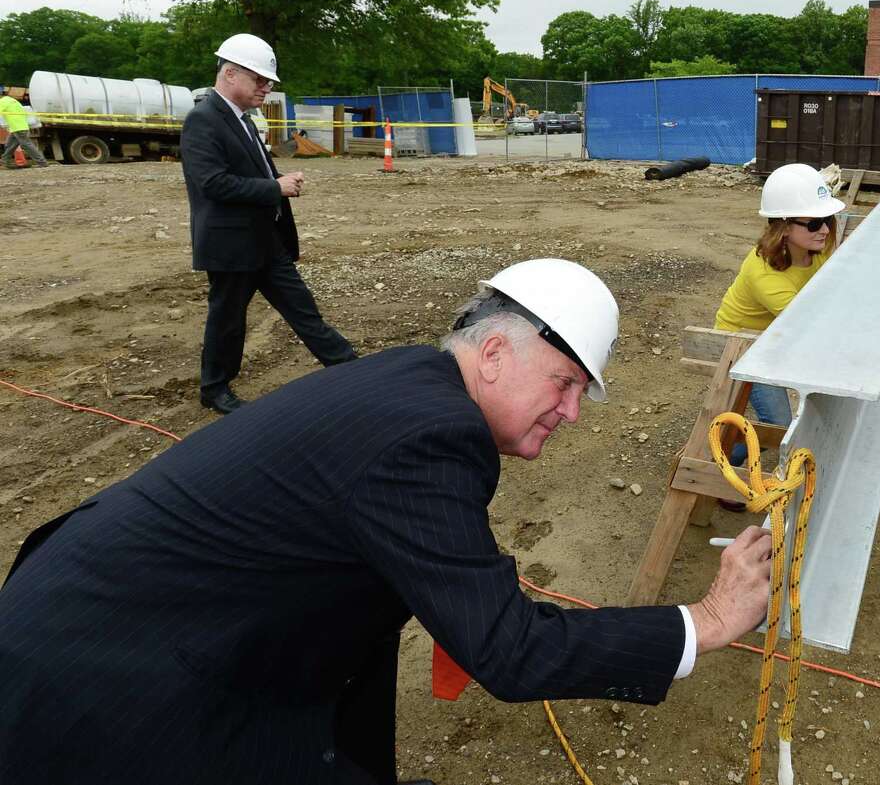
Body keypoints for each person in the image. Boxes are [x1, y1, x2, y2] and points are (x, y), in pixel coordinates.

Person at [0, 258, 774, 785]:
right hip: (101, 677)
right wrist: (705, 619)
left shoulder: (413, 380)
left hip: (119, 614)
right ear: (496, 351)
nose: (573, 412)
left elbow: (358, 622)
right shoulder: (431, 439)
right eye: (567, 383)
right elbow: (509, 649)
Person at [182, 33, 356, 415]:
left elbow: (250, 170)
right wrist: (273, 187)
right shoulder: (203, 119)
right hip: (231, 246)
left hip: (264, 240)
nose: (267, 87)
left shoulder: (241, 119)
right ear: (229, 74)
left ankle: (350, 368)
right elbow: (211, 183)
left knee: (304, 310)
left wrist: (275, 185)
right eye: (259, 80)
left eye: (269, 81)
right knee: (227, 320)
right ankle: (214, 389)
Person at [713, 164, 845, 510]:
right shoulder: (765, 274)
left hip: (773, 338)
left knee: (785, 420)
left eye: (828, 221)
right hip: (742, 346)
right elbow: (808, 326)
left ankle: (725, 462)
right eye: (815, 223)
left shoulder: (814, 250)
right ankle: (723, 468)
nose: (825, 230)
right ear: (784, 228)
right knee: (779, 423)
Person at [0, 86, 48, 169]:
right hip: (18, 127)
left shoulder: (3, 102)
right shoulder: (11, 100)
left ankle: (42, 162)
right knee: (10, 145)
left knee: (27, 145)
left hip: (18, 128)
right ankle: (5, 161)